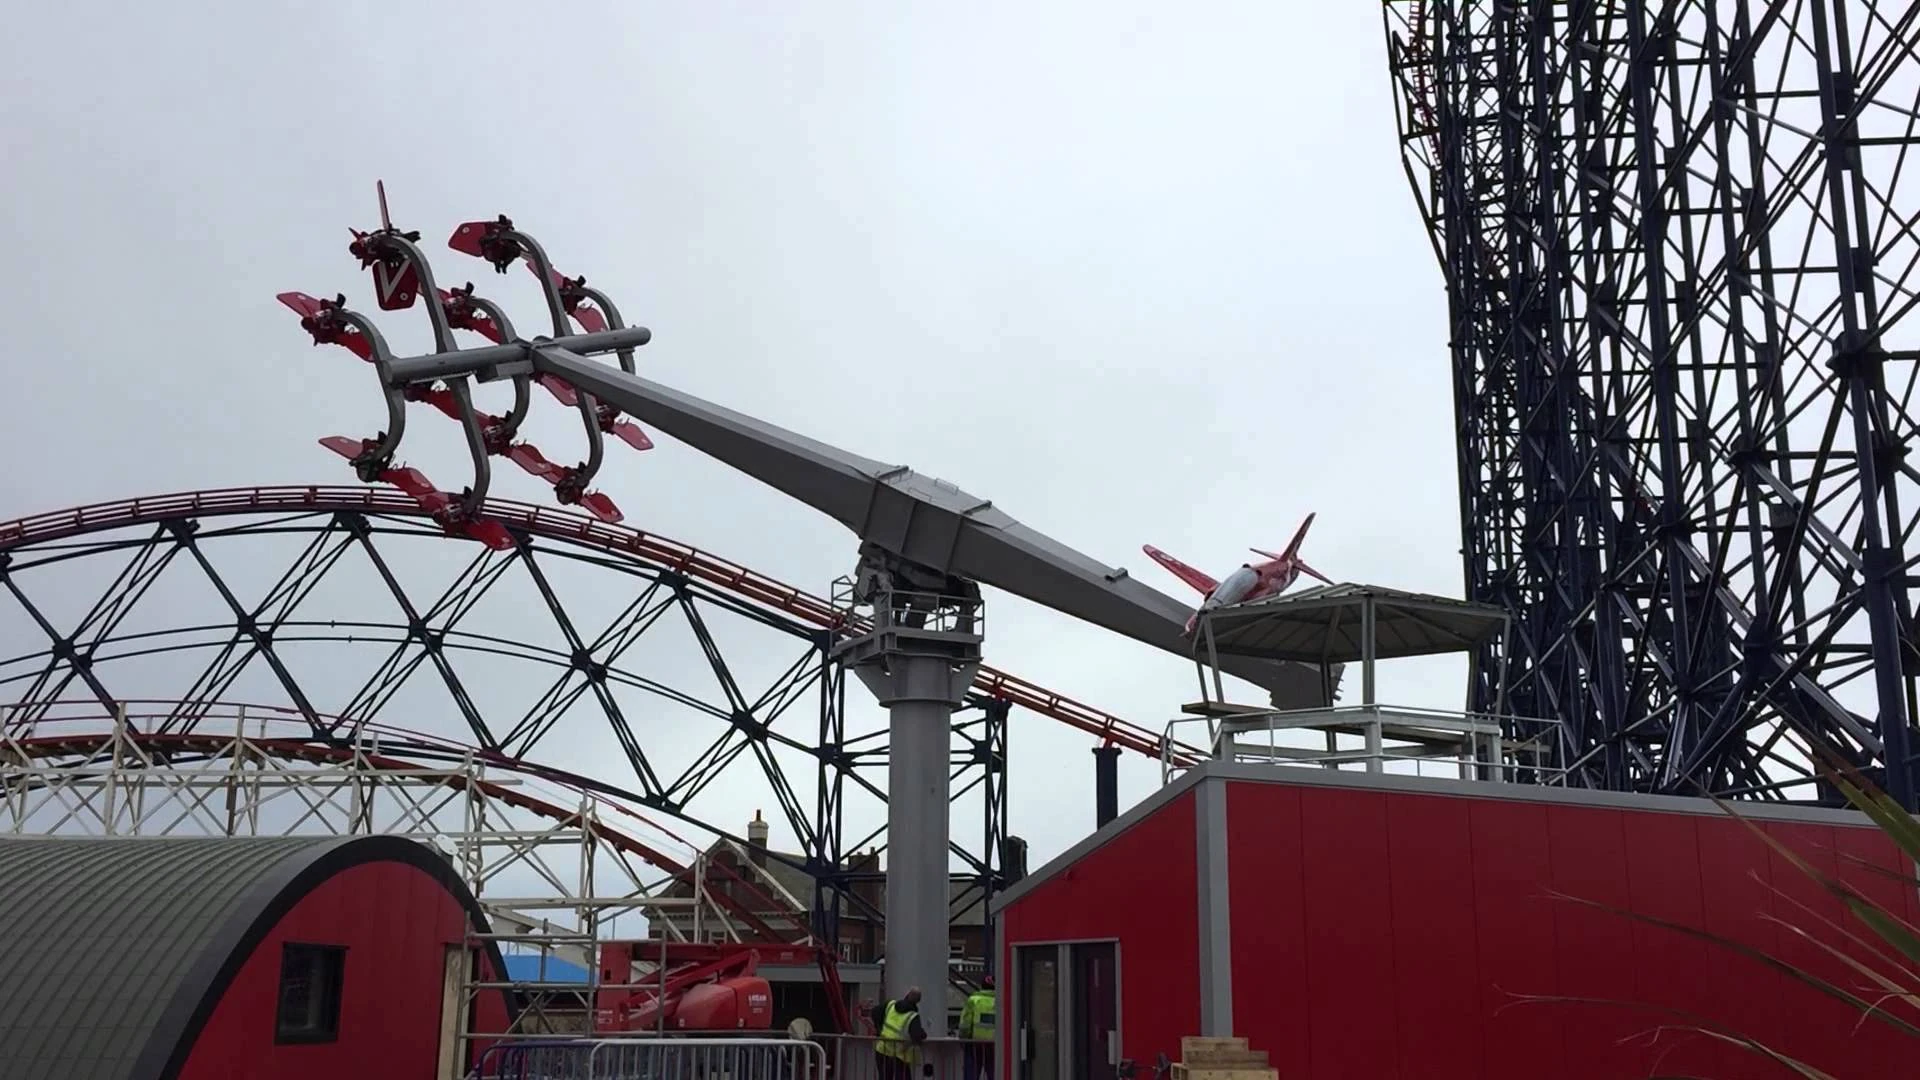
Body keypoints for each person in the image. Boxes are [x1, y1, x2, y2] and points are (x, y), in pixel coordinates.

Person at [870, 986, 929, 1079]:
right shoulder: (913, 1016)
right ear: (918, 1002)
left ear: (906, 995)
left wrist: (879, 1030)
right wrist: (923, 1034)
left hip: (882, 1050)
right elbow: (917, 1035)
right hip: (898, 1055)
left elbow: (874, 1012)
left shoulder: (890, 1005)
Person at [959, 974, 996, 1080]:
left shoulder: (973, 1000)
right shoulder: (1000, 1001)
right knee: (994, 1073)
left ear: (981, 986)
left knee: (972, 1074)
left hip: (975, 1044)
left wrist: (963, 1038)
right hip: (994, 1045)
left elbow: (965, 1024)